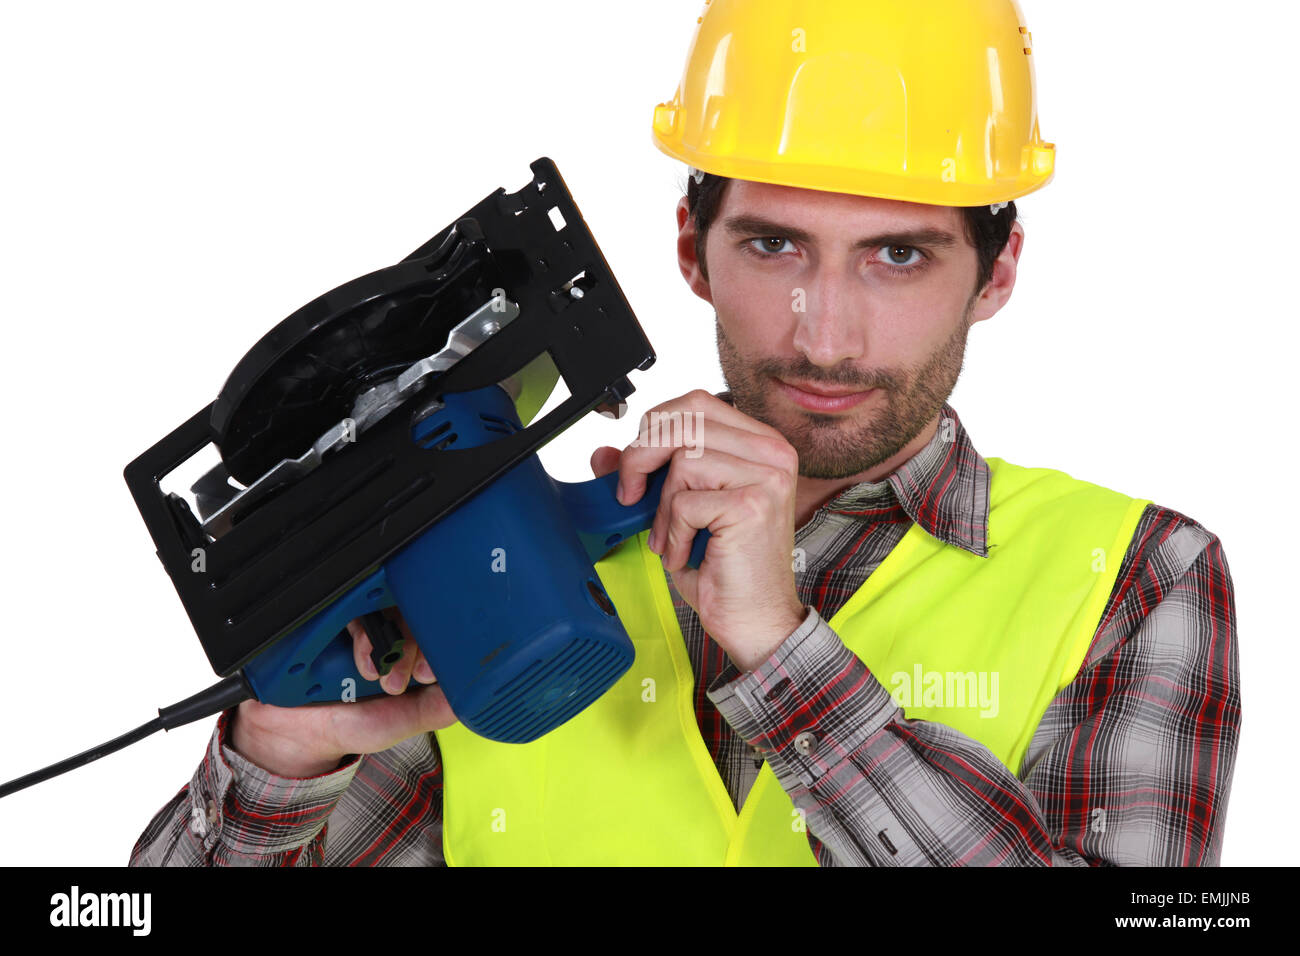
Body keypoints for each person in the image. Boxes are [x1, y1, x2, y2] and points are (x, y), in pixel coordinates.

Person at [130, 0, 1239, 866]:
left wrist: (781, 647)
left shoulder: (1136, 573)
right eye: (772, 246)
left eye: (897, 254)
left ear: (995, 271)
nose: (826, 331)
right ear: (689, 249)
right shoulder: (496, 573)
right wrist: (278, 761)